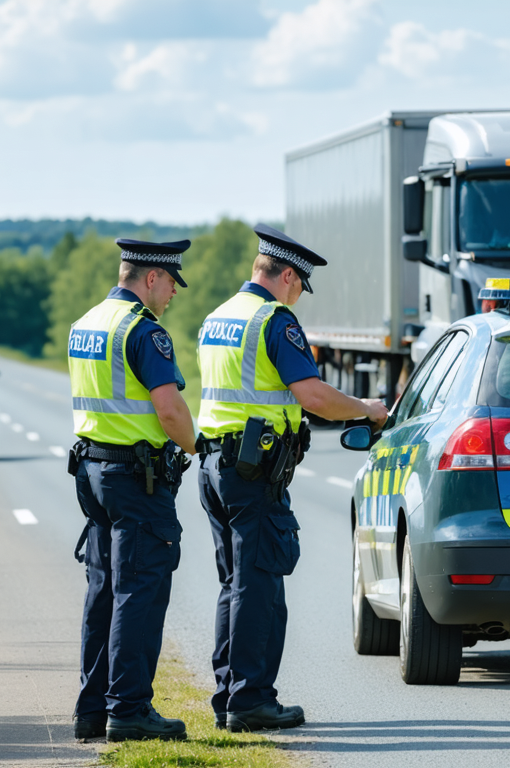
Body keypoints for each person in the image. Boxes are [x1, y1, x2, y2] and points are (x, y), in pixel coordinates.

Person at [195, 224, 388, 733]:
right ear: (286, 276)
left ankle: (229, 695)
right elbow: (315, 397)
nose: (298, 297)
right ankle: (251, 700)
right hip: (251, 472)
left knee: (234, 585)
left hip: (214, 466)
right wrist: (367, 409)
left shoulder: (219, 316)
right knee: (259, 588)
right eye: (300, 286)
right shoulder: (274, 321)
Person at [68, 238, 198, 743]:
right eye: (170, 283)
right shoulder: (144, 331)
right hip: (135, 479)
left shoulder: (87, 323)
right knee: (138, 592)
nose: (173, 294)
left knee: (103, 590)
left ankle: (92, 710)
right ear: (151, 278)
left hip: (94, 473)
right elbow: (169, 410)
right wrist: (198, 446)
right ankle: (129, 710)